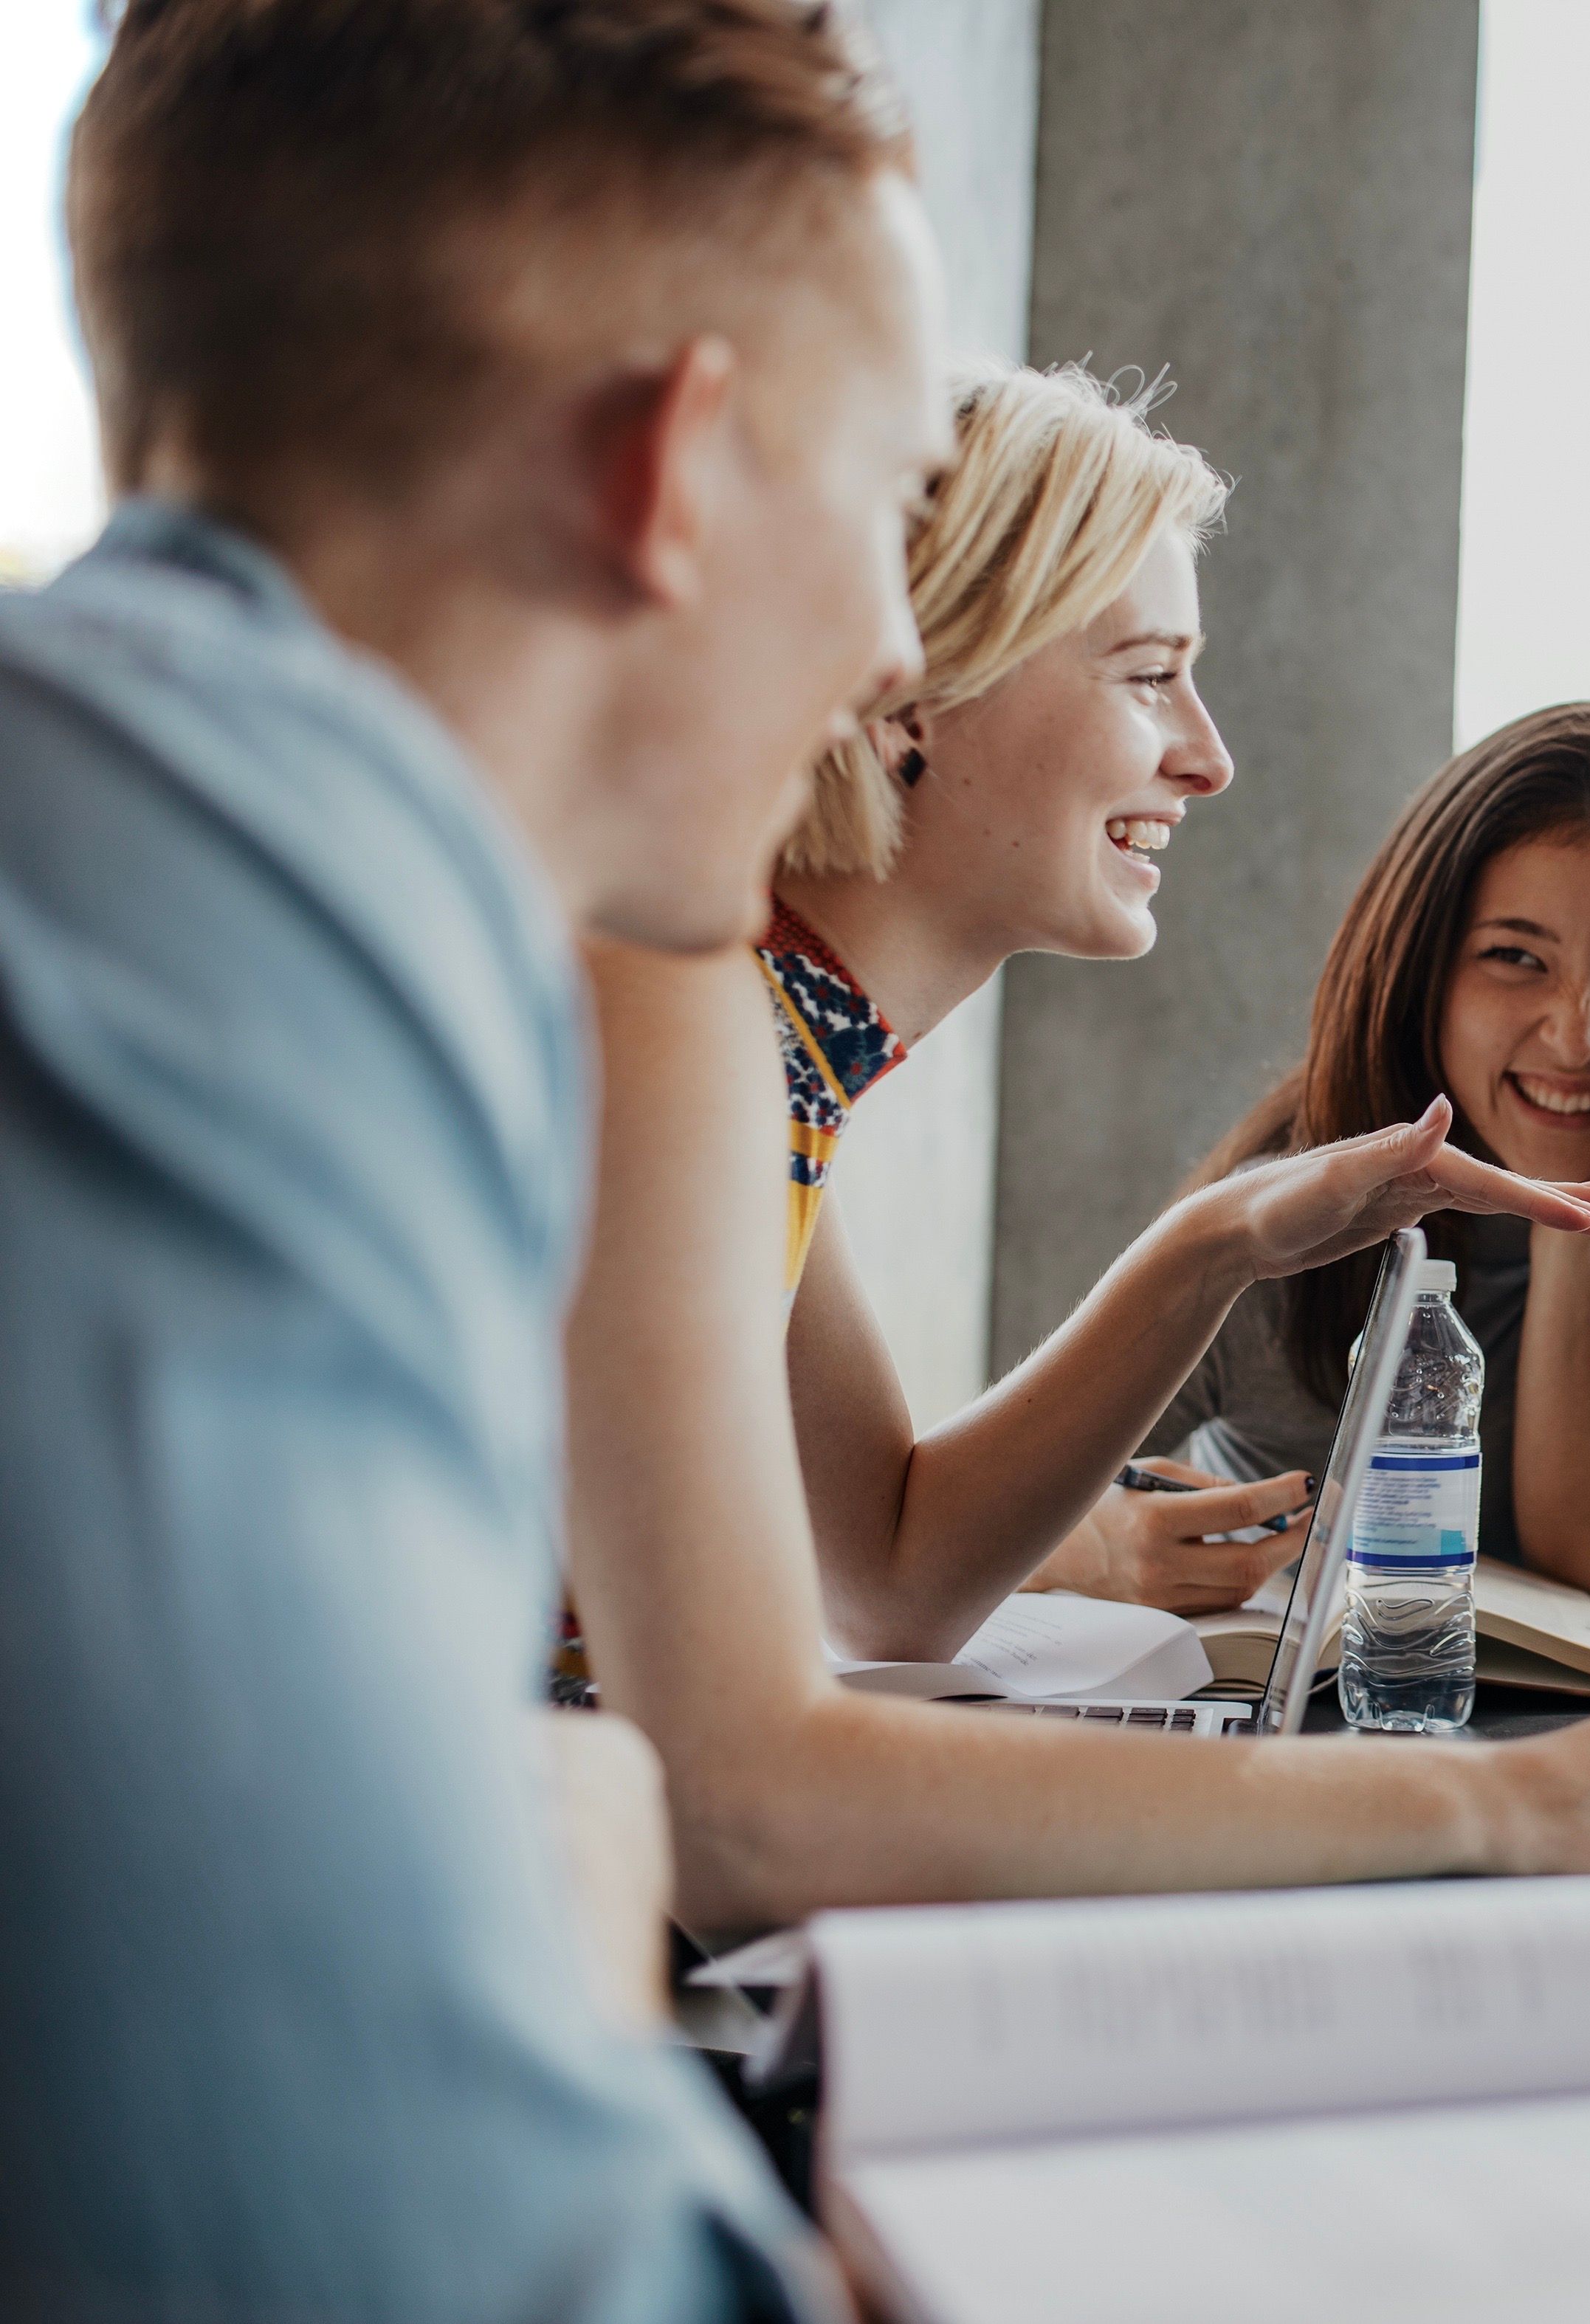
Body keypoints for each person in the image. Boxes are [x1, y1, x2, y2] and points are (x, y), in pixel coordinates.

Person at [1, 0, 947, 2313]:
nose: (901, 636)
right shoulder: (249, 897)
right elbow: (360, 2222)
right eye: (894, 500)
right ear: (677, 471)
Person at [565, 368, 1590, 1934]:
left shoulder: (775, 1060)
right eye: (1150, 673)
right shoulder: (681, 1028)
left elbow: (889, 1572)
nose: (1209, 758)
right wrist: (1505, 1797)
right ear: (908, 691)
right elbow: (749, 1804)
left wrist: (1219, 1238)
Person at [1159, 701, 1590, 1598]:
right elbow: (1010, 1507)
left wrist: (1574, 1228)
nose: (1579, 1037)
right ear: (1424, 974)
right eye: (1515, 957)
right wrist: (1098, 1548)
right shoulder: (1284, 1209)